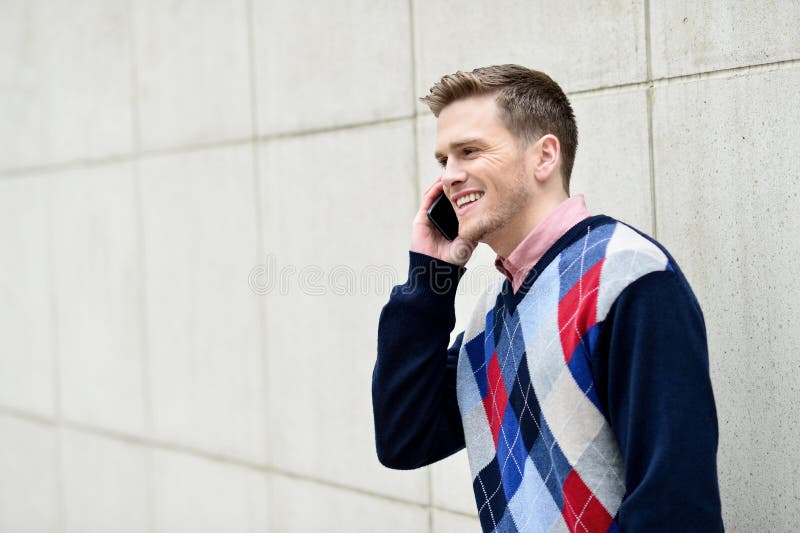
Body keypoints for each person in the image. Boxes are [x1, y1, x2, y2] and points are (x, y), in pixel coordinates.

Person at [371, 64, 723, 532]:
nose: (451, 177)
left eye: (470, 151)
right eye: (443, 161)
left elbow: (675, 509)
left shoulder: (629, 277)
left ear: (544, 157)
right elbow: (404, 438)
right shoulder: (490, 316)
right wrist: (429, 278)